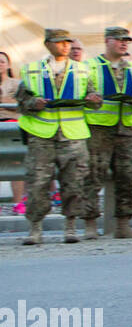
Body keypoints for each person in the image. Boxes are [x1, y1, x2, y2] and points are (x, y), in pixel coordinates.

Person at [13, 29, 100, 244]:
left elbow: (95, 99)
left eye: (67, 42)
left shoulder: (82, 70)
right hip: (41, 135)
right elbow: (22, 103)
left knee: (74, 182)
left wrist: (93, 99)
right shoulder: (32, 71)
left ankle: (70, 227)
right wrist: (34, 103)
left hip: (73, 134)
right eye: (59, 42)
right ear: (48, 44)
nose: (65, 46)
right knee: (37, 183)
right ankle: (35, 229)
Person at [84, 26, 132, 239]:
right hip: (98, 129)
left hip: (126, 129)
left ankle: (123, 224)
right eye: (119, 39)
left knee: (128, 175)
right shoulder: (89, 67)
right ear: (107, 41)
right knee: (93, 175)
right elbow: (82, 95)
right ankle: (90, 224)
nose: (124, 43)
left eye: (126, 41)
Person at [0, 50, 25, 214]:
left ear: (8, 65)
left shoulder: (16, 84)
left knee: (16, 163)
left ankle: (18, 203)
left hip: (12, 125)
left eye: (2, 61)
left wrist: (3, 100)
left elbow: (21, 102)